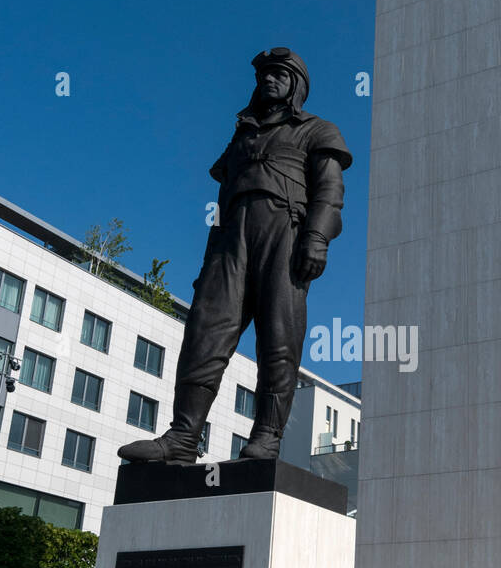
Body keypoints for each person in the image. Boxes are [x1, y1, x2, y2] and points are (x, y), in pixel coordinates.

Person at [119, 47, 351, 464]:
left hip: (285, 234)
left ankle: (267, 436)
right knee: (204, 331)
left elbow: (330, 192)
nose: (269, 80)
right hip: (230, 243)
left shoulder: (318, 130)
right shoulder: (242, 136)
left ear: (296, 84)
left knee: (279, 337)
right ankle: (182, 437)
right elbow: (223, 191)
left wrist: (317, 238)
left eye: (279, 74)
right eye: (264, 74)